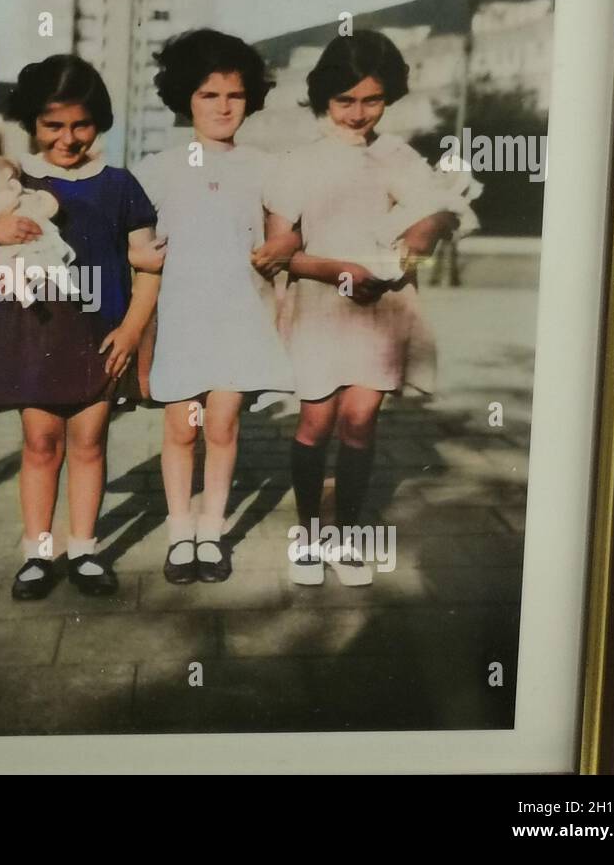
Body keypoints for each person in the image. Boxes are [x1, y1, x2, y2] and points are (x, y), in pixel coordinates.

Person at [271, 30, 480, 586]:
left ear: (389, 97)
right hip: (321, 306)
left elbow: (438, 219)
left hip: (380, 310)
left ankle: (348, 534)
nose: (358, 113)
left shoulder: (399, 156)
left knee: (361, 422)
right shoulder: (298, 162)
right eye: (345, 101)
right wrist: (339, 270)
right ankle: (310, 534)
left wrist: (421, 241)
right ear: (323, 98)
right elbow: (277, 255)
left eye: (372, 100)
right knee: (316, 421)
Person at [0, 55, 165, 600]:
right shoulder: (13, 183)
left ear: (99, 122)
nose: (68, 137)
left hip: (101, 332)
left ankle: (84, 547)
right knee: (40, 441)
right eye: (54, 125)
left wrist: (131, 331)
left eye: (81, 124)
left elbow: (148, 265)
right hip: (34, 333)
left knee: (91, 441)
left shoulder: (120, 185)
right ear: (33, 125)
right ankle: (37, 550)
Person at [134, 29, 298, 585]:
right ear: (185, 98)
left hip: (239, 317)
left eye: (234, 94)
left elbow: (287, 234)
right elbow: (130, 237)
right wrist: (139, 253)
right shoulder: (159, 167)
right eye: (208, 95)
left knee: (222, 422)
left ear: (250, 97)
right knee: (183, 426)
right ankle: (180, 532)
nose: (223, 106)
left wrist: (283, 247)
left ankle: (212, 530)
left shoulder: (264, 166)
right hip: (182, 318)